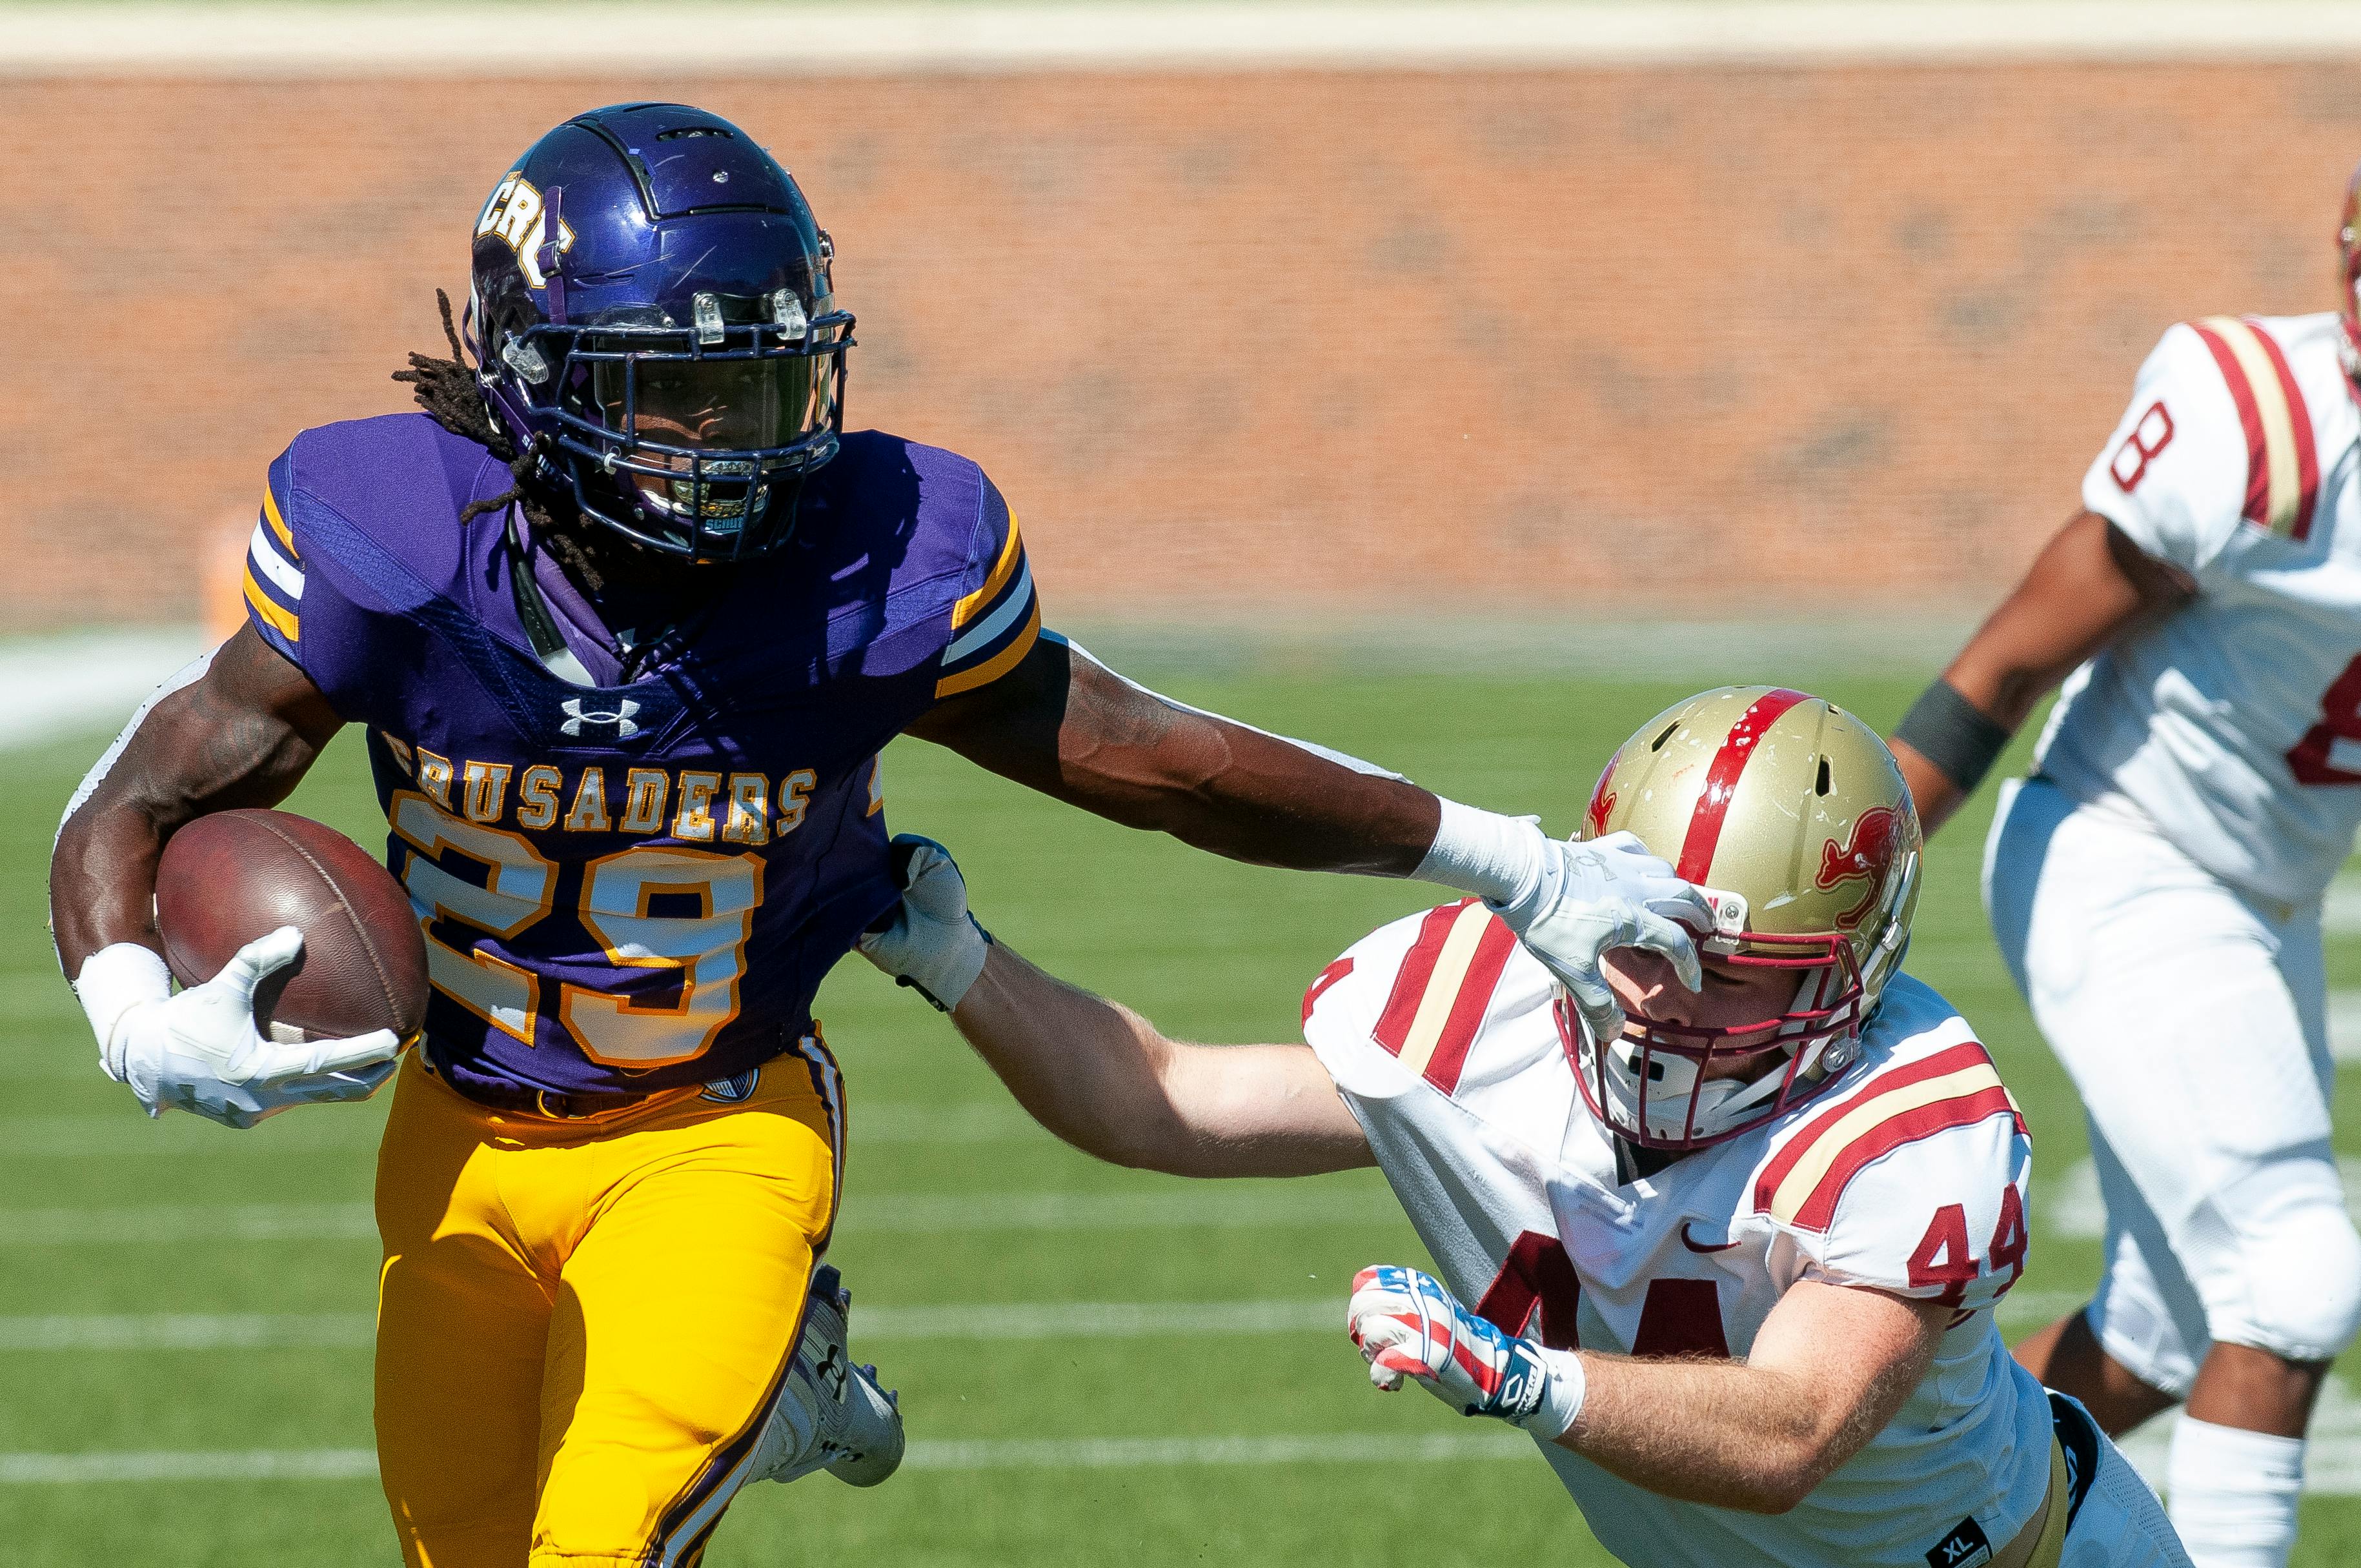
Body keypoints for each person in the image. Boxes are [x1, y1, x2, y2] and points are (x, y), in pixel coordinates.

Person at [45, 103, 1706, 1568]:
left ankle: (754, 1359)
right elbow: (145, 792)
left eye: (764, 381)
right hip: (458, 1136)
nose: (737, 441)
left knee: (597, 1543)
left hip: (722, 1121)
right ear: (532, 381)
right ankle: (782, 1396)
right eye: (675, 392)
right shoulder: (398, 543)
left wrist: (1510, 861)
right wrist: (130, 1006)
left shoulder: (873, 562)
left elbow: (1163, 763)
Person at [860, 686, 2189, 1567]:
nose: (1675, 1002)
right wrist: (958, 961)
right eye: (1653, 946)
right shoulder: (1471, 1011)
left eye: (1743, 974)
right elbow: (1171, 1102)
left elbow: (1791, 1434)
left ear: (1853, 970)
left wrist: (1518, 1380)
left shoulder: (1902, 1124)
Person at [1885, 168, 2361, 1568]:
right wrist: (1832, 892)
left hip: (2259, 897)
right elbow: (2004, 662)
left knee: (2158, 1336)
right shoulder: (2264, 433)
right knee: (2286, 1281)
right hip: (2121, 854)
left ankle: (1879, 1522)